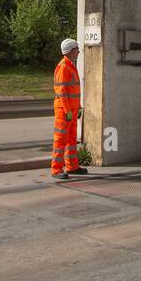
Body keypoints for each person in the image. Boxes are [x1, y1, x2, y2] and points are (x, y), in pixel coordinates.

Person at [51, 38, 86, 180]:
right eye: (77, 49)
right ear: (71, 51)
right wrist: (68, 111)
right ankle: (56, 169)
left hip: (71, 111)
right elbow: (62, 92)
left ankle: (72, 166)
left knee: (71, 139)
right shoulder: (64, 67)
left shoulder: (70, 65)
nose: (79, 51)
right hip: (64, 111)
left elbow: (73, 91)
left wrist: (77, 108)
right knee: (60, 140)